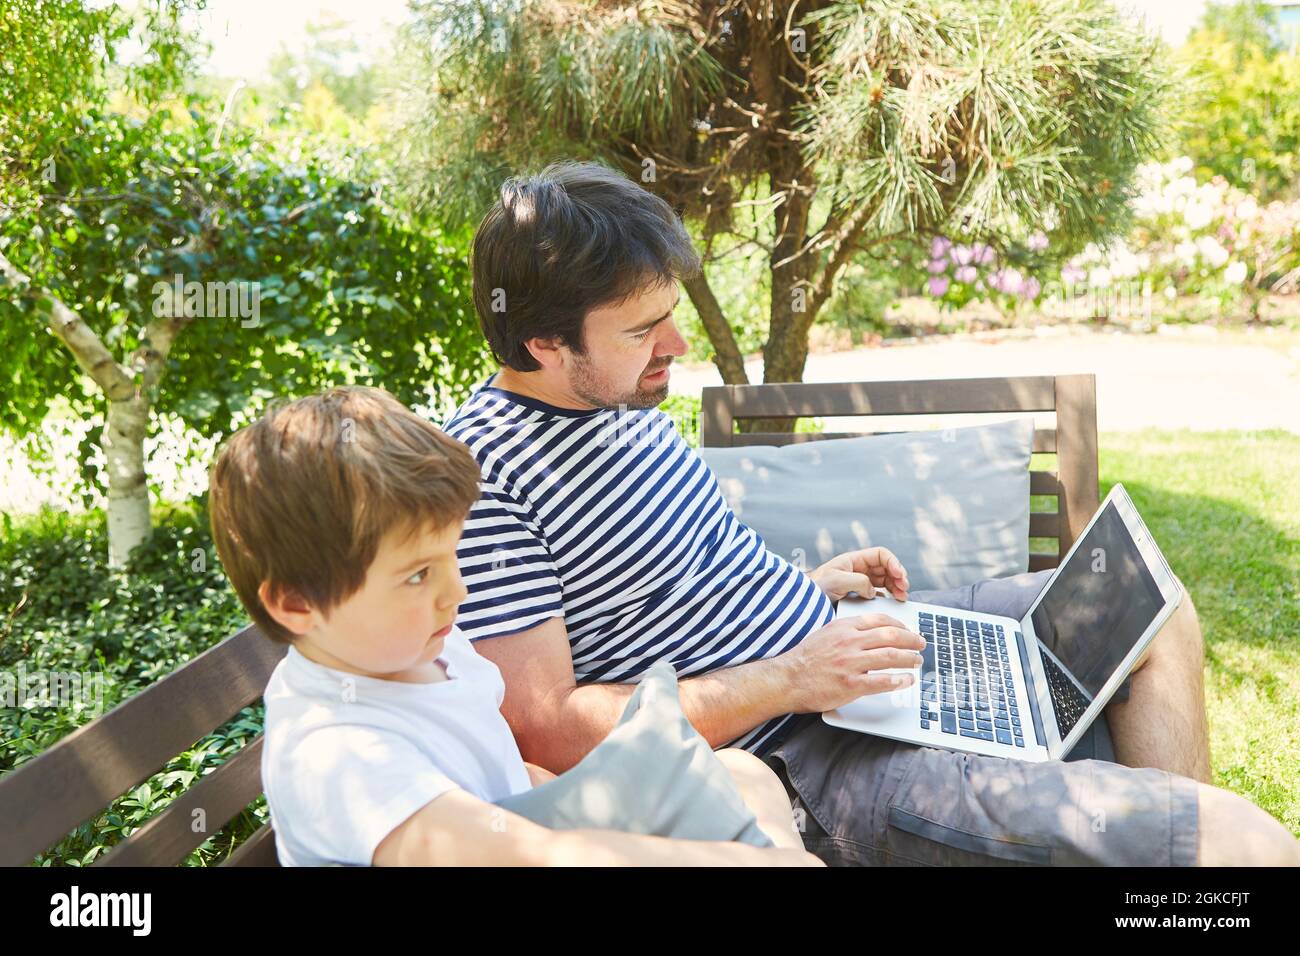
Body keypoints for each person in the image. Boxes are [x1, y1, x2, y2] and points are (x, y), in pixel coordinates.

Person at [441, 160, 1300, 866]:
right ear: (546, 345)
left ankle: (1170, 868)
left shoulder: (612, 402)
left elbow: (669, 583)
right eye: (643, 331)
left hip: (846, 646)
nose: (676, 346)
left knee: (1148, 611)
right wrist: (792, 676)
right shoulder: (487, 480)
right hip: (798, 754)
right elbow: (549, 730)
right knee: (1236, 845)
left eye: (668, 318)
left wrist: (808, 588)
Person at [207, 385, 819, 866]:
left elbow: (509, 772)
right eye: (419, 575)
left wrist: (623, 794)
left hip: (527, 828)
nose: (459, 591)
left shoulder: (430, 648)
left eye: (451, 556)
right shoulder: (336, 753)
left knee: (743, 772)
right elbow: (527, 856)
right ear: (295, 605)